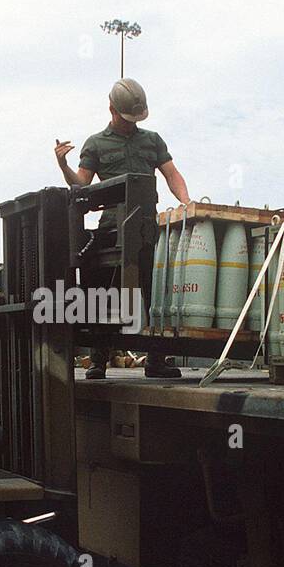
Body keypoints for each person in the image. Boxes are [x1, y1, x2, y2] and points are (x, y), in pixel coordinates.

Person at [53, 78, 191, 379]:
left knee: (154, 292)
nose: (130, 125)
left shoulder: (152, 140)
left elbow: (172, 173)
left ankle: (156, 359)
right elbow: (82, 184)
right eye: (126, 118)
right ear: (112, 109)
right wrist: (63, 167)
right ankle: (99, 359)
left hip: (146, 227)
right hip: (111, 228)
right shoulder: (96, 143)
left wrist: (186, 203)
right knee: (105, 291)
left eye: (135, 119)